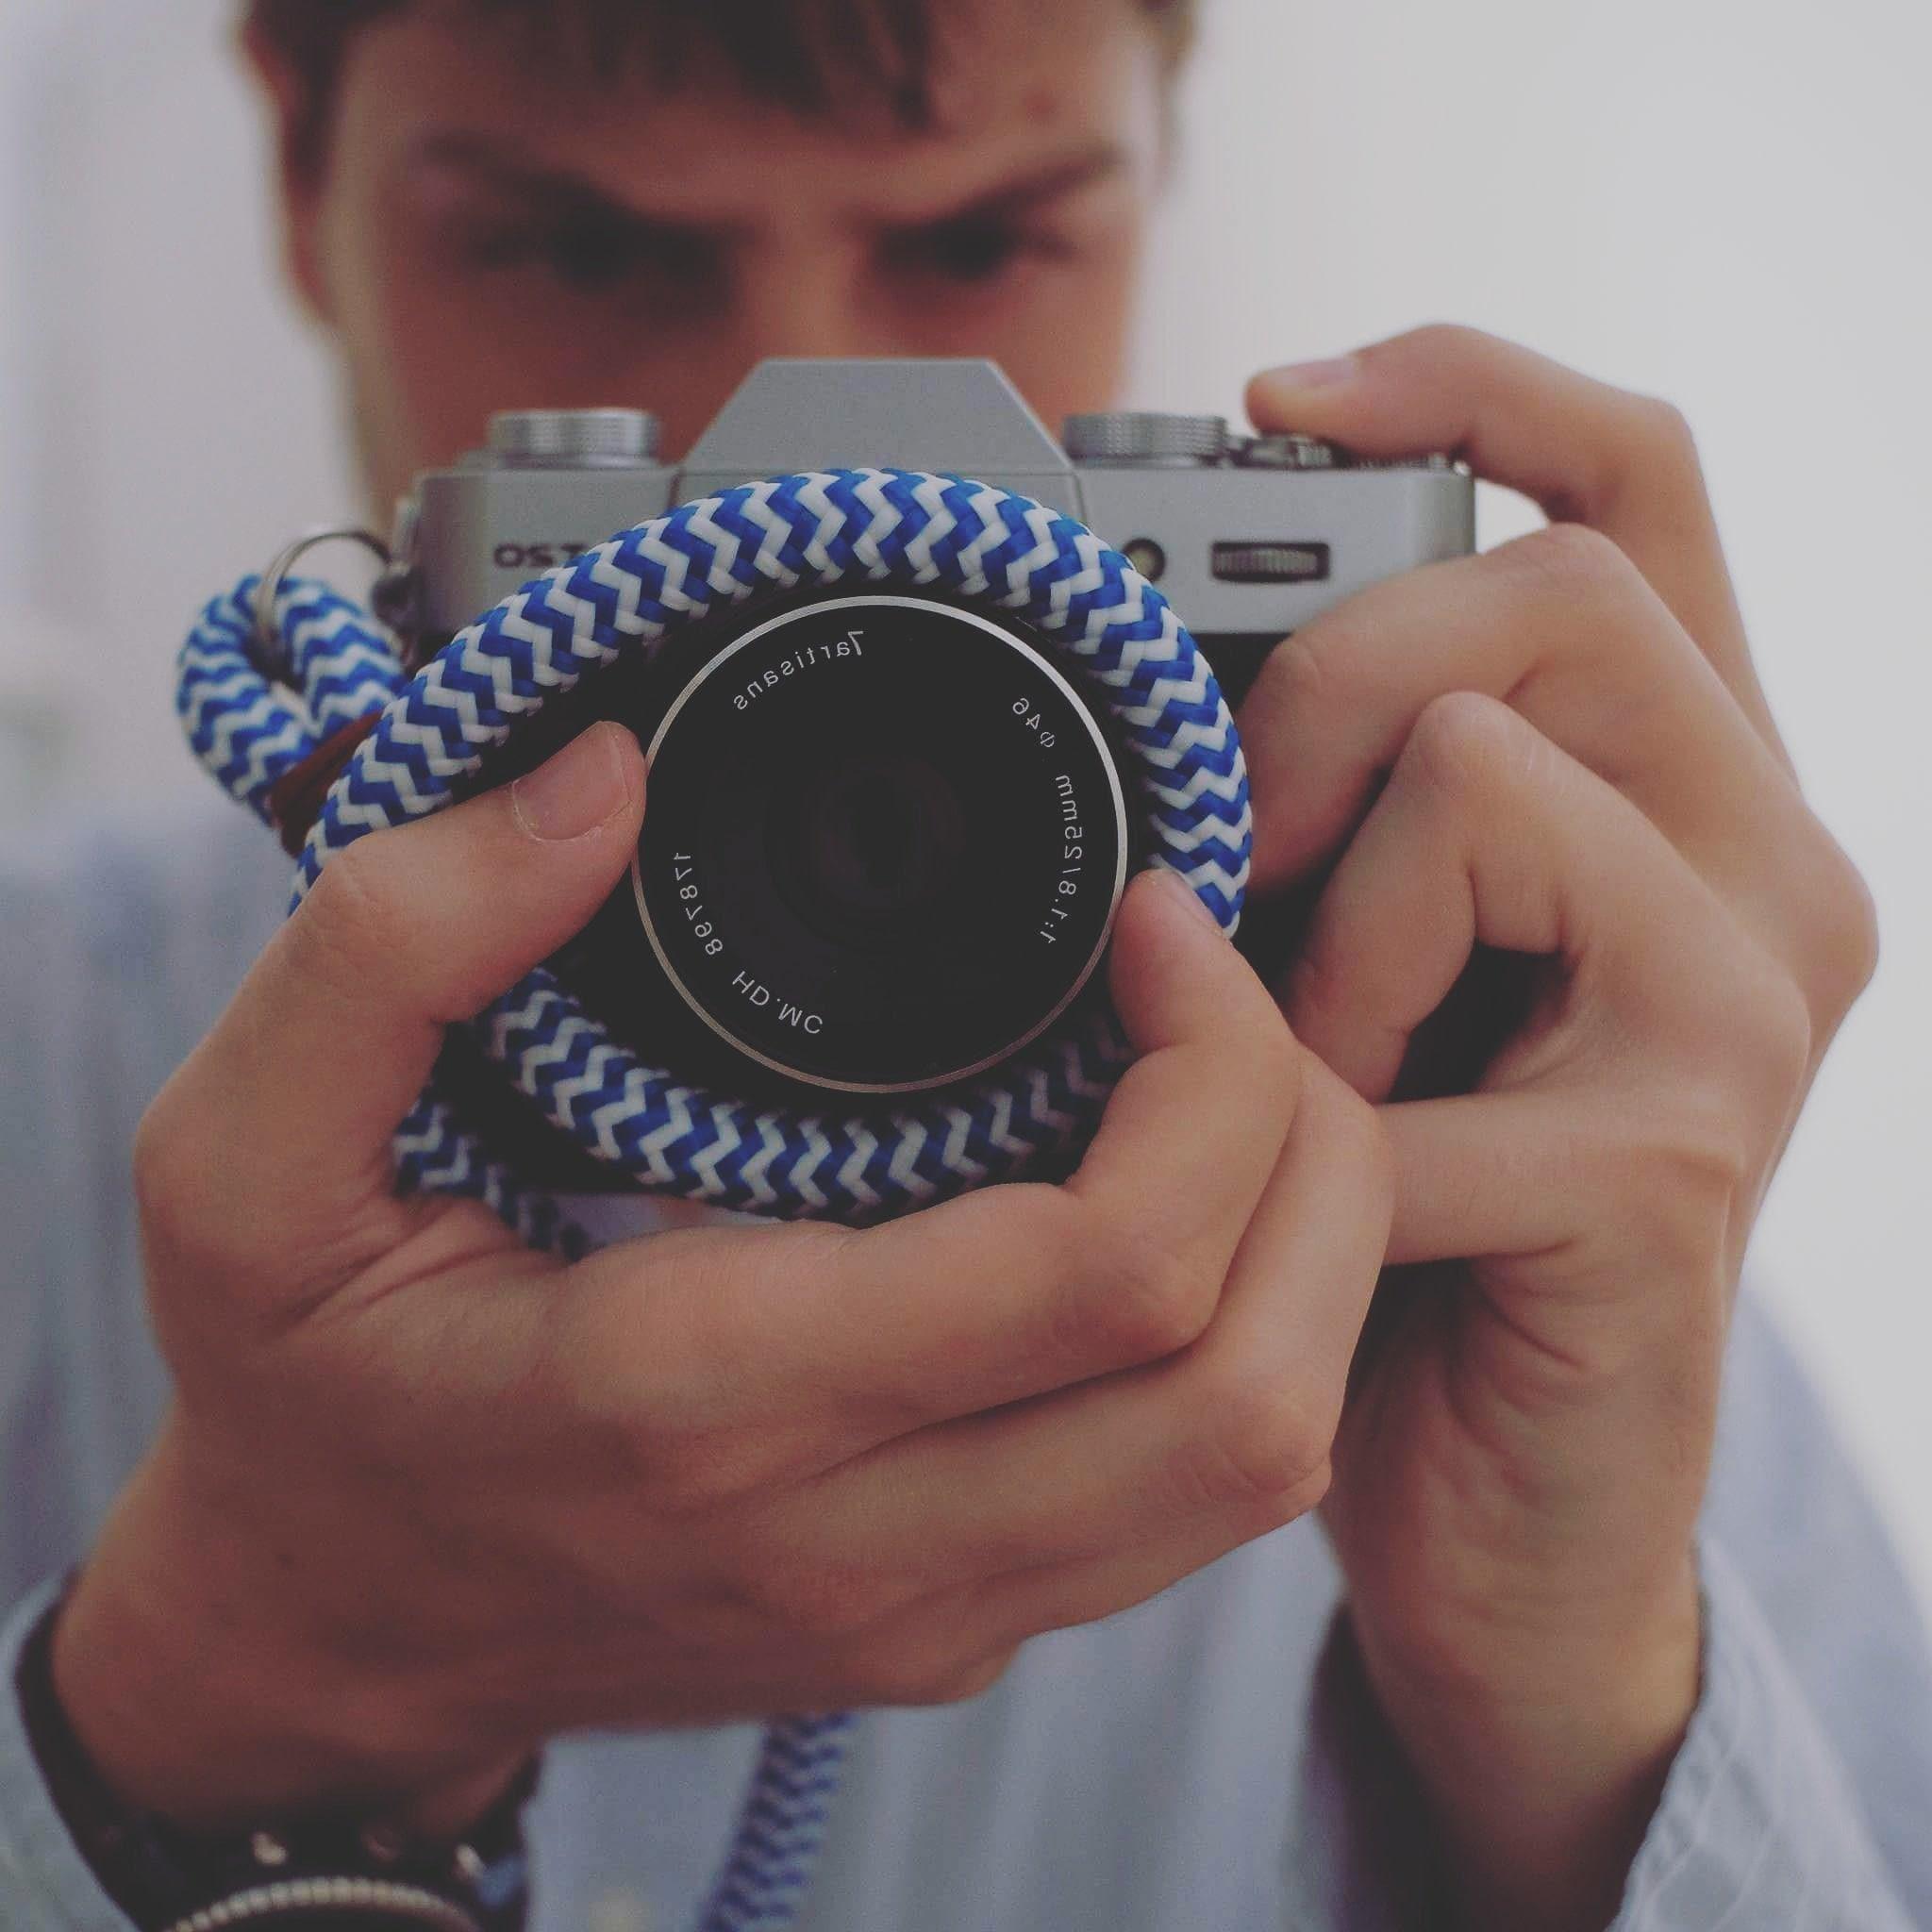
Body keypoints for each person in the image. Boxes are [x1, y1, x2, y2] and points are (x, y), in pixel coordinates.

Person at [3, 2, 1928, 1928]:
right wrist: (231, 1692)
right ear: (292, 177)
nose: (800, 447)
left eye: (983, 238)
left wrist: (1563, 1701)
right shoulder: (41, 1055)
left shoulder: (1476, 1149)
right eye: (579, 246)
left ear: (1152, 173)